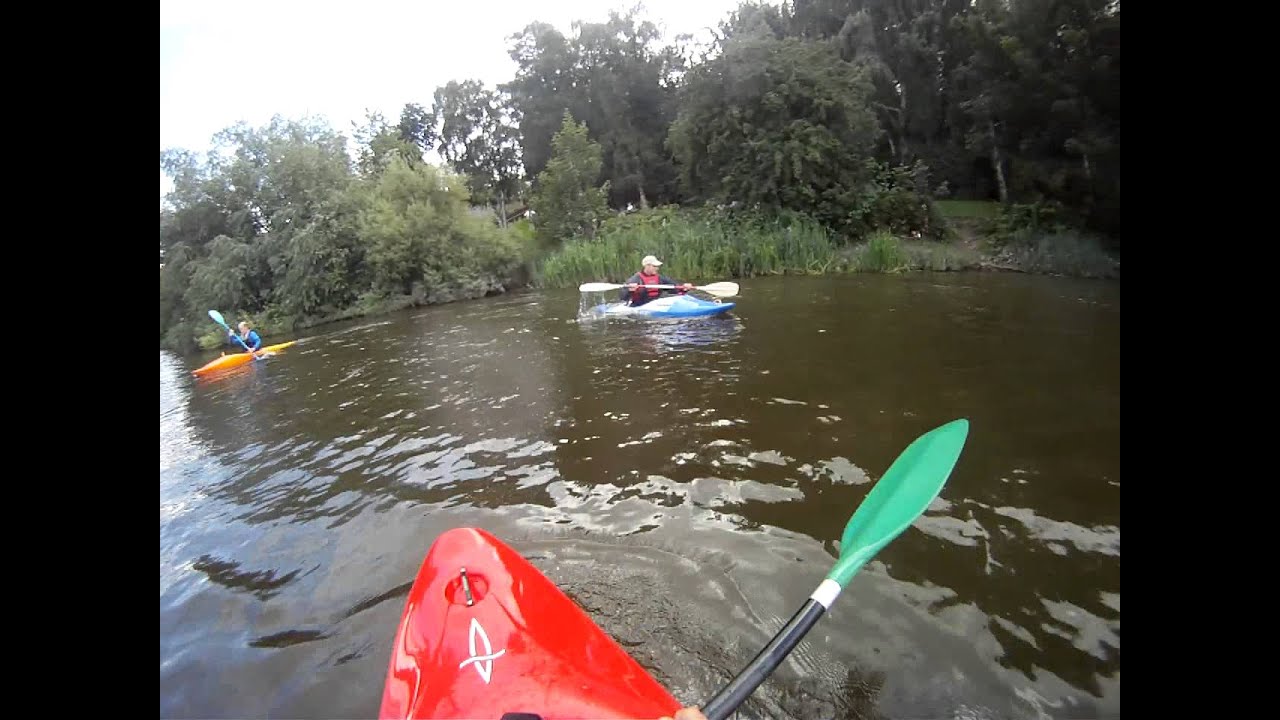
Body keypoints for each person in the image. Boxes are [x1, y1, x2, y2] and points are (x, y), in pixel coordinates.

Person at [621, 254, 693, 307]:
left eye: (657, 266)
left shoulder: (660, 278)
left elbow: (674, 288)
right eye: (654, 266)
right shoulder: (635, 279)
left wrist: (684, 288)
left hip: (655, 305)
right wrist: (630, 290)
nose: (657, 268)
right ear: (647, 266)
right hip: (638, 306)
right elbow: (623, 297)